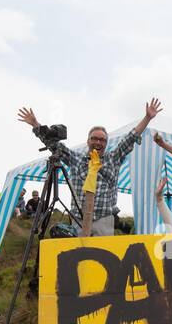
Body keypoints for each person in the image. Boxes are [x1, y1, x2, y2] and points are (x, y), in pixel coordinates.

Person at [17, 99, 162, 235]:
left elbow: (131, 137)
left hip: (104, 220)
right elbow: (54, 146)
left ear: (106, 144)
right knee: (79, 259)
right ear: (88, 141)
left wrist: (147, 118)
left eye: (102, 140)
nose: (98, 142)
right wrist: (35, 124)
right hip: (79, 219)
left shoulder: (113, 158)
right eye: (94, 138)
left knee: (103, 258)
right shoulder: (77, 159)